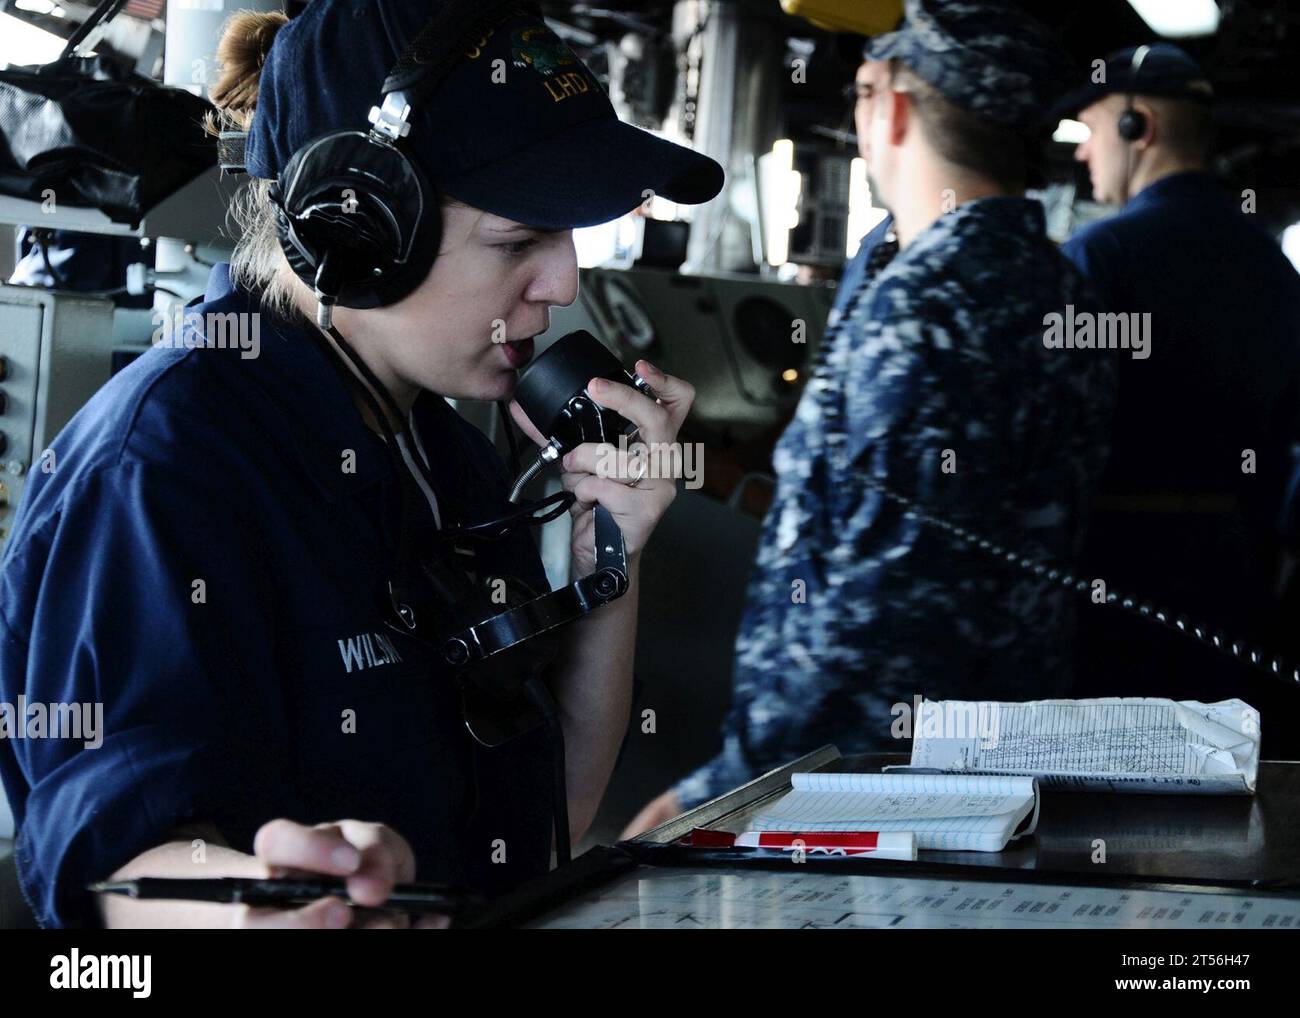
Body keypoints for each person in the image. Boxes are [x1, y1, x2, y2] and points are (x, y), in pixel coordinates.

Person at [0, 0, 721, 928]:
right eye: (517, 240)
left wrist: (609, 556)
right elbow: (110, 873)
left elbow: (548, 829)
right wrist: (257, 912)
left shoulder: (442, 456)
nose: (566, 283)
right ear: (360, 225)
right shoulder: (161, 470)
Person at [625, 0, 1115, 833]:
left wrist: (723, 793)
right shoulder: (1061, 287)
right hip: (996, 768)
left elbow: (879, 621)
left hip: (865, 797)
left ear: (884, 102)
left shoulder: (924, 312)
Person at [1057, 44, 1300, 752]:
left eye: (1092, 128)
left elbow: (1057, 432)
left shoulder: (1099, 254)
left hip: (1112, 578)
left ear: (1140, 128)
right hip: (1238, 579)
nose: (1082, 153)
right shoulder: (1274, 266)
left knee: (1108, 787)